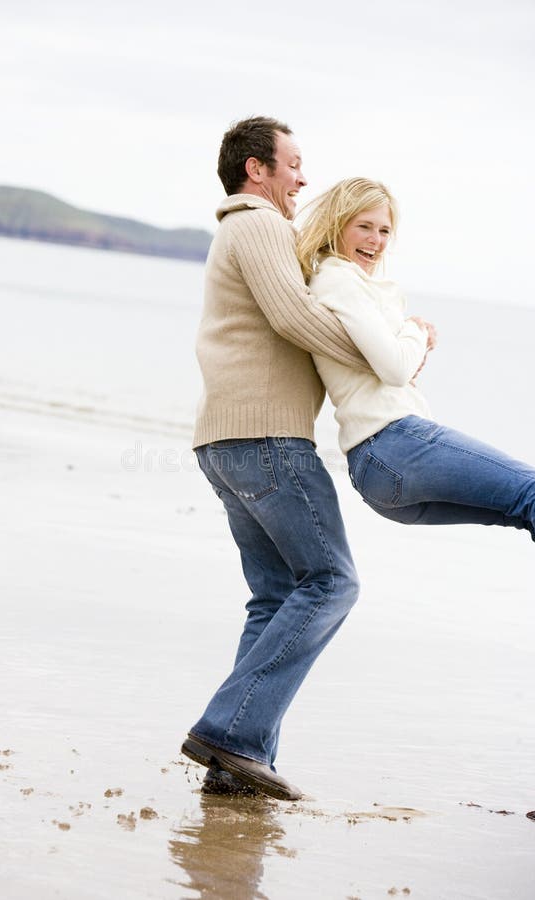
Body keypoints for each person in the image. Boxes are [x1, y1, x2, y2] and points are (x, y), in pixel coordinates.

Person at [181, 118, 371, 801]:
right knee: (331, 581)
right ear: (256, 170)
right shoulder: (256, 222)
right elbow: (293, 317)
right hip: (265, 439)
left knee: (274, 599)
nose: (303, 177)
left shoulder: (244, 230)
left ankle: (238, 762)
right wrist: (384, 354)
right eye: (293, 163)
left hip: (231, 438)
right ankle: (230, 733)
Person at [296, 177, 535, 539]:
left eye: (384, 231)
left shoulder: (351, 285)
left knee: (520, 508)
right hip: (392, 443)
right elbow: (395, 369)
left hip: (379, 465)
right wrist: (417, 330)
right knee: (529, 492)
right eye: (364, 227)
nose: (376, 241)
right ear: (336, 225)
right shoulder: (340, 280)